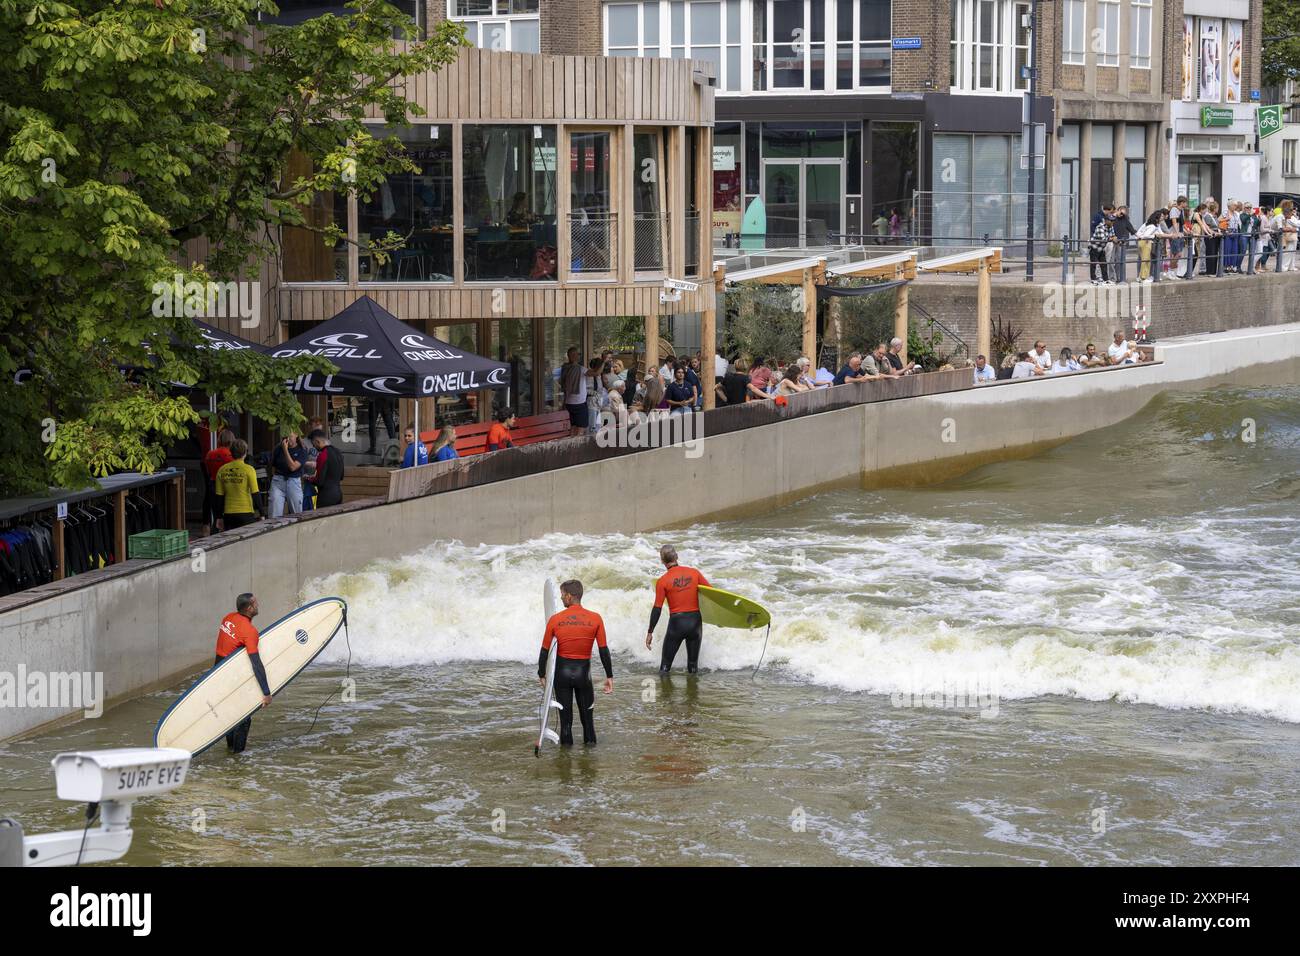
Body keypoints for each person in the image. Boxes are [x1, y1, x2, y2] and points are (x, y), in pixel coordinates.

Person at [538, 579, 613, 747]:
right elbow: (603, 650)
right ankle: (590, 763)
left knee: (566, 723)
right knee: (588, 722)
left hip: (561, 676)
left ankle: (565, 764)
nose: (562, 598)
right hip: (583, 676)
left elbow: (544, 650)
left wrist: (541, 673)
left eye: (563, 595)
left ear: (570, 596)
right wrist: (609, 676)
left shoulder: (555, 620)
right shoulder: (596, 618)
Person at [215, 593, 272, 753]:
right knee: (243, 718)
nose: (258, 604)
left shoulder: (227, 618)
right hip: (231, 675)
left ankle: (230, 748)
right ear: (249, 608)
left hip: (217, 672)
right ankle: (237, 759)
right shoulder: (249, 631)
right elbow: (256, 662)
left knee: (229, 712)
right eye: (255, 603)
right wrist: (266, 693)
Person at [645, 545, 710, 674]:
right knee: (693, 667)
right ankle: (693, 693)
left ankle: (664, 694)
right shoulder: (694, 573)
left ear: (662, 561)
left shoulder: (662, 581)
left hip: (677, 624)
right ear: (677, 556)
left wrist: (650, 632)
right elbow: (711, 593)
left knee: (665, 667)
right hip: (695, 623)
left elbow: (657, 608)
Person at [214, 438, 261, 530]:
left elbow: (219, 497)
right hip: (246, 513)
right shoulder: (249, 469)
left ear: (231, 452)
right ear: (245, 453)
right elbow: (255, 493)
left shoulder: (222, 470)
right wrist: (262, 513)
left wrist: (218, 517)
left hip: (228, 514)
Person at [201, 428, 235, 536]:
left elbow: (208, 471)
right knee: (225, 515)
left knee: (216, 514)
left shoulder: (209, 454)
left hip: (212, 486)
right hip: (226, 487)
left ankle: (210, 531)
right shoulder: (231, 456)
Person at [270, 431, 308, 516]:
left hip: (293, 481)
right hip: (278, 481)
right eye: (285, 437)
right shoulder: (278, 448)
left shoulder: (302, 450)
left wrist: (285, 450)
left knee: (297, 513)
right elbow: (273, 466)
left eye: (289, 436)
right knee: (274, 512)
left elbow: (293, 467)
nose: (287, 439)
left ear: (296, 435)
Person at [309, 428, 344, 508]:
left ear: (317, 441)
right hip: (338, 494)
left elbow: (319, 481)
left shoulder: (323, 455)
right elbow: (341, 476)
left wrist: (309, 479)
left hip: (326, 496)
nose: (314, 447)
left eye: (313, 444)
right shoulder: (338, 452)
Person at [559, 346, 587, 437]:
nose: (577, 356)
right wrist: (602, 362)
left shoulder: (564, 368)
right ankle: (577, 448)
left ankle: (570, 446)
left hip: (569, 402)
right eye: (575, 354)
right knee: (581, 429)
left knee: (573, 426)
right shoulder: (580, 369)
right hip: (579, 402)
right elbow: (595, 373)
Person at [1089, 212, 1115, 284]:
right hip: (1095, 247)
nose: (1112, 222)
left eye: (1113, 221)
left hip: (1102, 248)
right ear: (1106, 221)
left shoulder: (1111, 226)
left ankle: (1106, 279)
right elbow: (1103, 239)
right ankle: (1093, 279)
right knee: (1094, 264)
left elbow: (1113, 236)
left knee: (1104, 264)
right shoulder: (1100, 227)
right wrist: (1112, 239)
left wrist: (1115, 239)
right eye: (1111, 220)